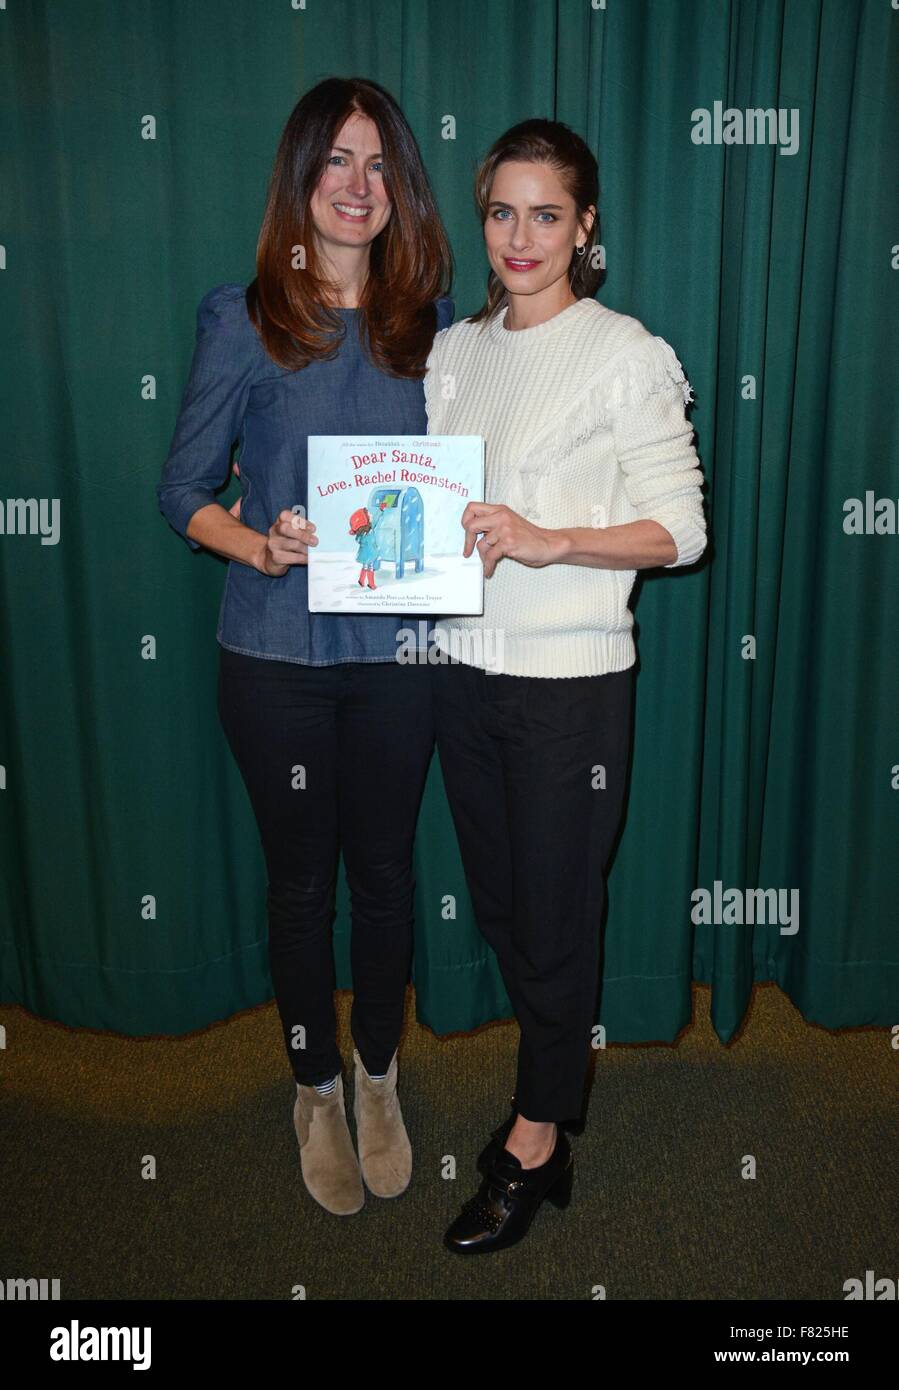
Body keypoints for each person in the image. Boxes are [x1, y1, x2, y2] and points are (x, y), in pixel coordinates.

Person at [156, 77, 453, 1218]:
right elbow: (181, 491)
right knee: (299, 888)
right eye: (335, 160)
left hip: (396, 661)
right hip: (275, 658)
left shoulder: (429, 327)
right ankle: (312, 1087)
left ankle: (377, 1076)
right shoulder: (241, 318)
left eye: (378, 166)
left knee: (384, 878)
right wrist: (256, 545)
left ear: (400, 190)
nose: (357, 186)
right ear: (298, 176)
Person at [425, 118, 708, 1254]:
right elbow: (429, 506)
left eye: (547, 213)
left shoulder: (622, 352)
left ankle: (534, 1143)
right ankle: (547, 1091)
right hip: (456, 674)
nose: (520, 236)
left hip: (566, 690)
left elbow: (680, 532)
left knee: (550, 920)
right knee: (502, 908)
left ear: (584, 225)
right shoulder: (456, 350)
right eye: (501, 211)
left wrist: (550, 540)